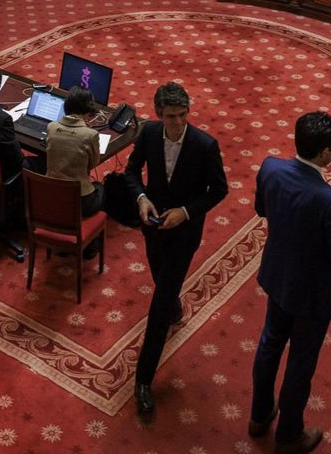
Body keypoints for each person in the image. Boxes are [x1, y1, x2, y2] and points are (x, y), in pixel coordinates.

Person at [249, 112, 331, 454]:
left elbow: (262, 209)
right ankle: (289, 434)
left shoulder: (270, 168)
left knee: (269, 345)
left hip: (278, 277)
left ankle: (259, 415)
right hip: (311, 295)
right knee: (300, 362)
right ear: (325, 153)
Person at [126, 81, 229, 416]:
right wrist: (142, 199)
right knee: (162, 282)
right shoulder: (149, 134)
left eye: (183, 115)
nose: (179, 122)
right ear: (159, 114)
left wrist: (184, 213)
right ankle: (173, 307)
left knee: (158, 302)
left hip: (184, 232)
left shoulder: (204, 145)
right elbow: (131, 173)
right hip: (153, 226)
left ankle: (143, 380)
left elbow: (219, 190)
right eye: (171, 116)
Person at [44, 88, 103, 216]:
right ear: (88, 110)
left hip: (51, 193)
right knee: (101, 187)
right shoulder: (90, 134)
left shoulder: (51, 126)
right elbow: (93, 164)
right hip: (80, 200)